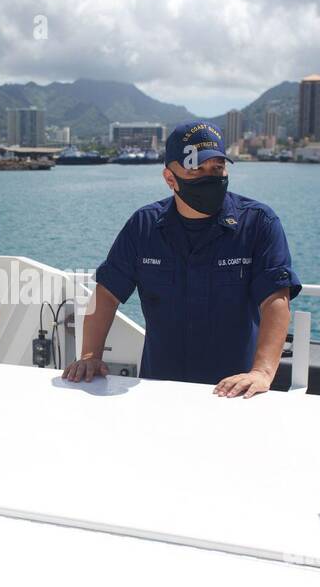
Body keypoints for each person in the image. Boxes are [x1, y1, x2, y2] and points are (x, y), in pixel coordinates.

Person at [63, 121, 298, 395]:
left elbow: (275, 300)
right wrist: (90, 355)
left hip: (234, 393)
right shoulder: (144, 226)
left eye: (217, 168)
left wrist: (262, 372)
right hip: (159, 388)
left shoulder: (258, 223)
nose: (209, 177)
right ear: (169, 178)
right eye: (196, 169)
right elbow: (106, 295)